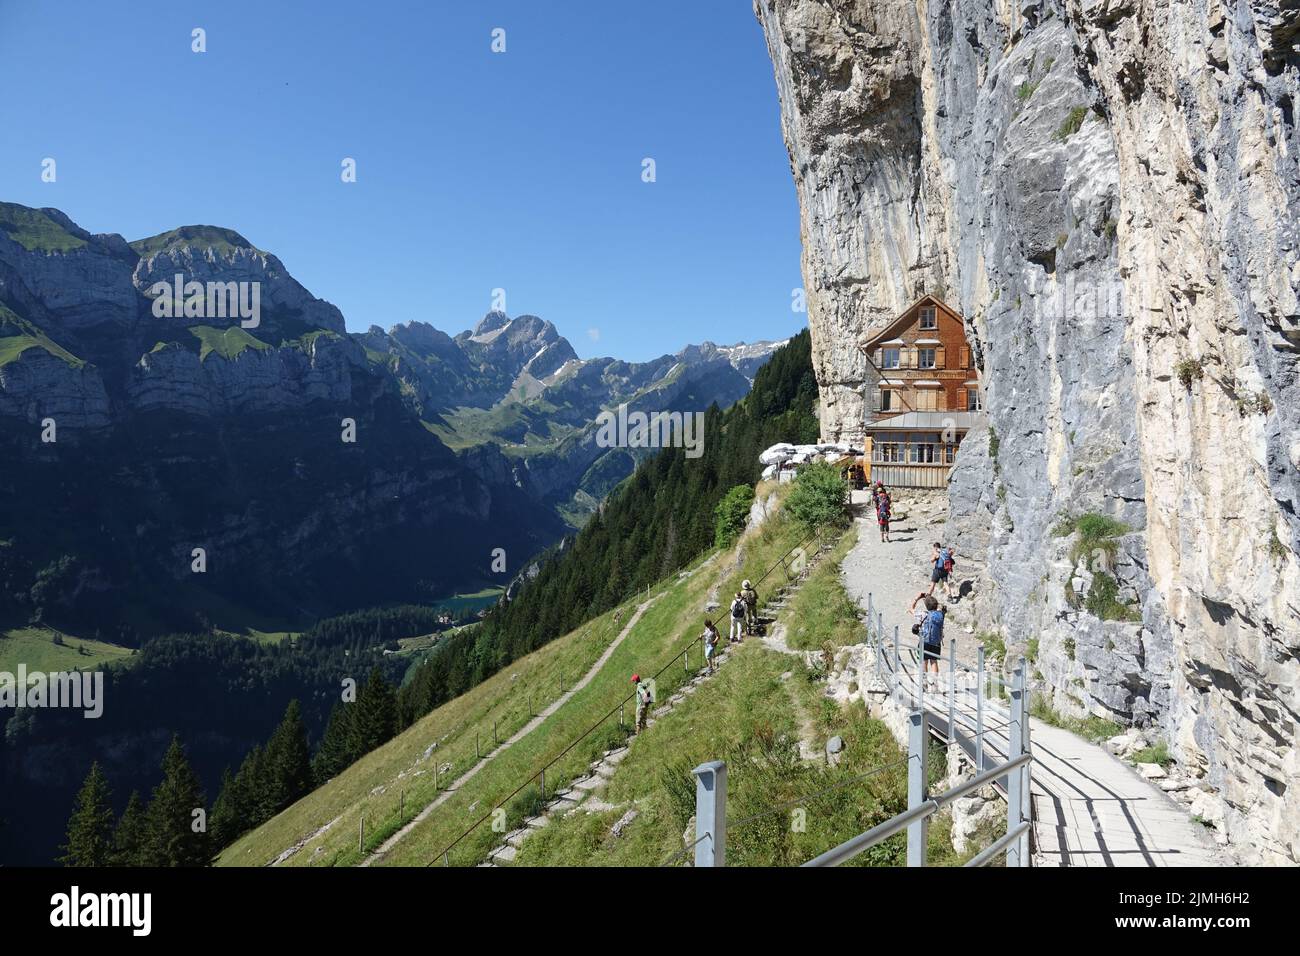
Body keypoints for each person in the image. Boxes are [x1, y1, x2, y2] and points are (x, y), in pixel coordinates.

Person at [920, 600, 946, 691]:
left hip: (925, 641)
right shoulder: (941, 615)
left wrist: (917, 598)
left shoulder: (923, 614)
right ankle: (935, 685)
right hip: (936, 642)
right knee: (934, 662)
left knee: (924, 661)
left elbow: (911, 610)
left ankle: (924, 683)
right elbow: (943, 608)